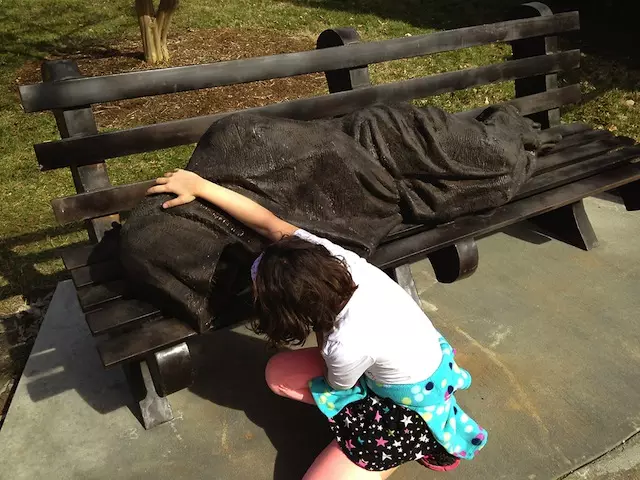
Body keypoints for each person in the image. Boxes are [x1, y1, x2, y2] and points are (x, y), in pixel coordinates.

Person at [147, 169, 488, 479]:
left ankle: (399, 449)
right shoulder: (333, 258)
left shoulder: (345, 343)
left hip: (405, 410)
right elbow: (267, 223)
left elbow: (340, 386)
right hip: (417, 364)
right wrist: (200, 186)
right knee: (278, 374)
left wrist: (328, 347)